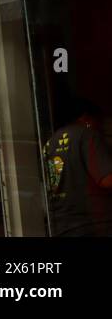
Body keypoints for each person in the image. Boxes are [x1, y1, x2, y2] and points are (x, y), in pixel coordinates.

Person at [43, 99, 112, 236]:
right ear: (86, 119)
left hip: (60, 226)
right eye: (100, 122)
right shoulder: (88, 135)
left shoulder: (50, 143)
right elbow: (107, 180)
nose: (102, 128)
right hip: (90, 225)